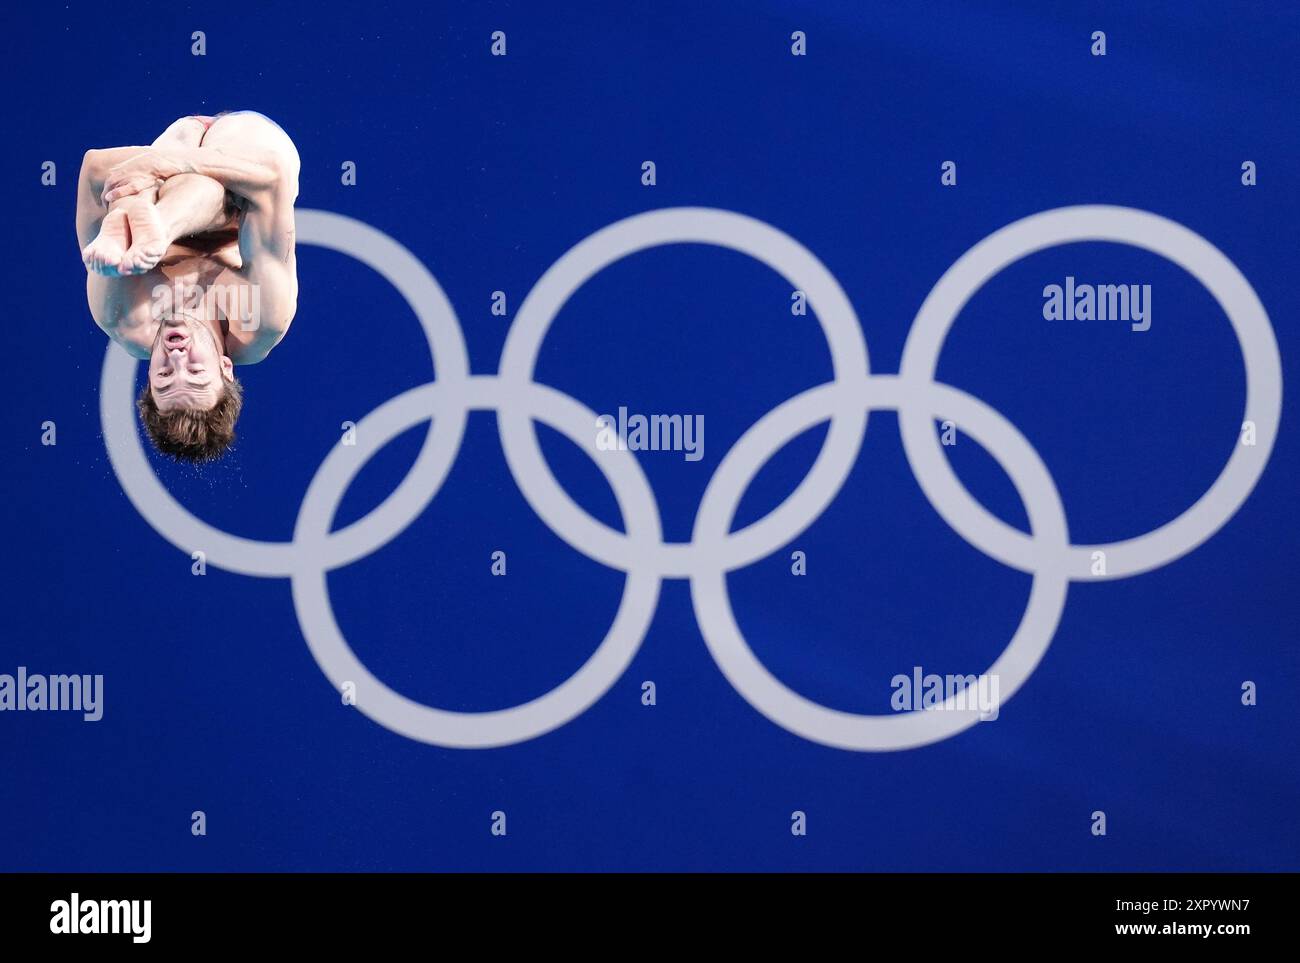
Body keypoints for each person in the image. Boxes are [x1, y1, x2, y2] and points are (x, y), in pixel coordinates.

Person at [76, 111, 300, 462]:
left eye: (164, 375)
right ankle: (152, 224)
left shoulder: (125, 316)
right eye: (195, 372)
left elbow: (93, 169)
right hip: (242, 151)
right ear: (226, 368)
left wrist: (146, 176)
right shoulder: (259, 320)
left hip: (172, 165)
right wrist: (159, 164)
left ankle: (137, 212)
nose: (177, 357)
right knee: (210, 192)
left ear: (148, 377)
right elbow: (273, 178)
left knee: (144, 194)